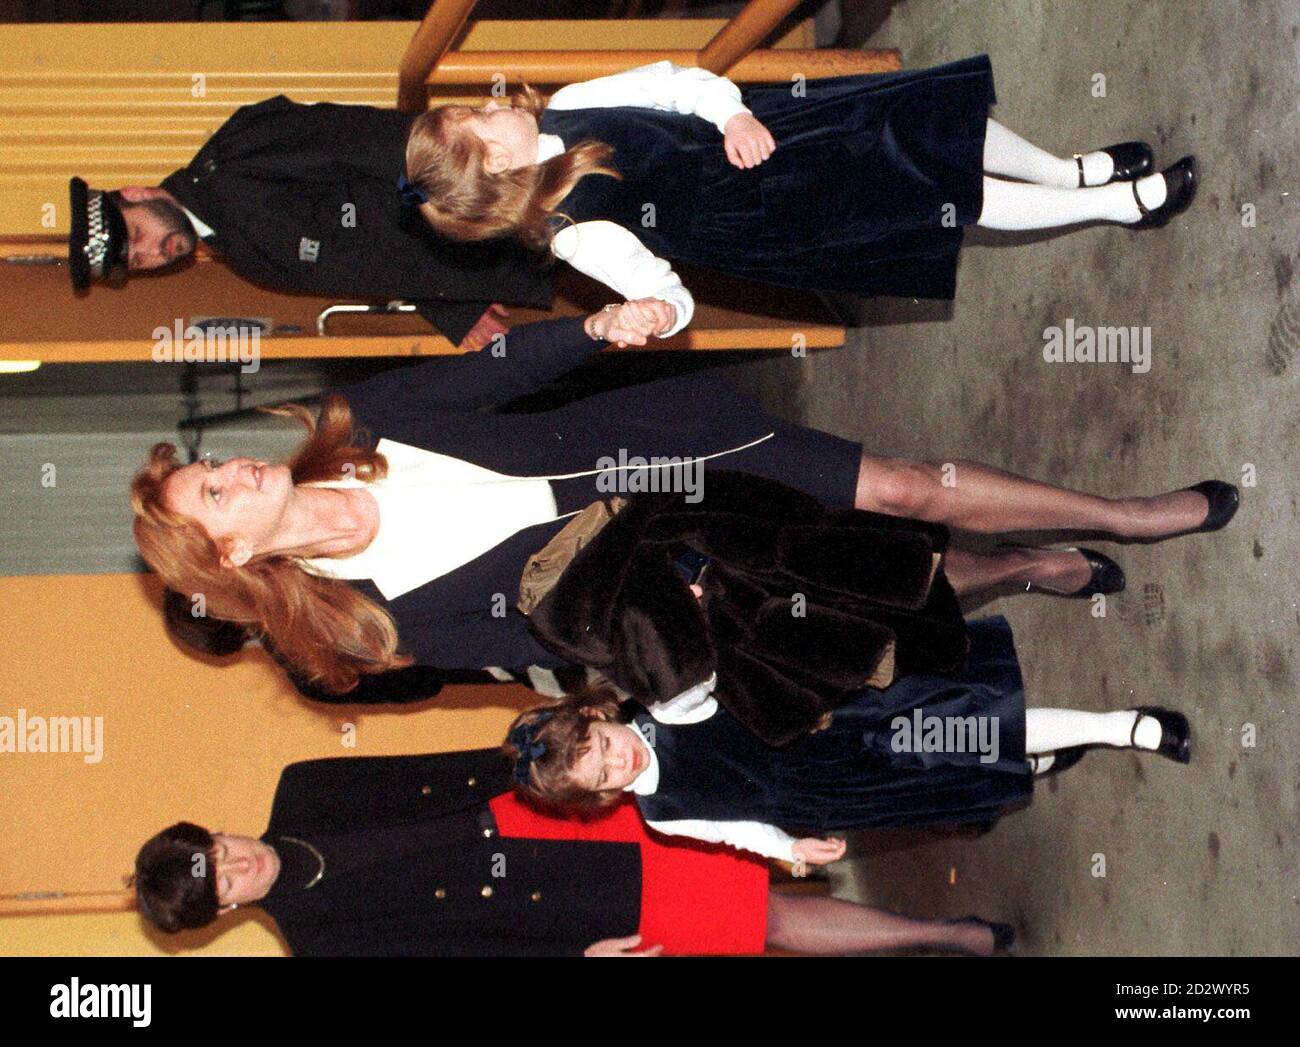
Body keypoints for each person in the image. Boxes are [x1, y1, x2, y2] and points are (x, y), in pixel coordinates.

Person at [129, 311, 1237, 699]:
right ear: (226, 549)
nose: (237, 472)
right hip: (680, 568)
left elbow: (497, 369)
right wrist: (668, 615)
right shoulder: (382, 623)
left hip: (666, 449)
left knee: (898, 488)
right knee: (884, 581)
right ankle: (1031, 569)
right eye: (216, 491)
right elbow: (547, 634)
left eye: (214, 465)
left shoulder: (362, 419)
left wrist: (594, 333)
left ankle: (1125, 511)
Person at [402, 58, 1198, 338]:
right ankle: (1125, 204)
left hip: (775, 130)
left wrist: (734, 112)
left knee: (936, 118)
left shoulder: (571, 101)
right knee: (949, 194)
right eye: (478, 124)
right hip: (781, 209)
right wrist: (655, 316)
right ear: (498, 170)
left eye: (471, 110)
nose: (488, 106)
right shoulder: (574, 231)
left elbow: (676, 86)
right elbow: (666, 294)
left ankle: (1074, 174)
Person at [133, 748, 1016, 956]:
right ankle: (942, 932)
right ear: (225, 913)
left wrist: (560, 752)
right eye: (222, 882)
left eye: (218, 847)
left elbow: (439, 767)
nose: (238, 860)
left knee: (763, 802)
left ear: (216, 830)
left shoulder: (301, 788)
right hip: (561, 901)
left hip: (546, 805)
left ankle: (944, 802)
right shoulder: (321, 945)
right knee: (765, 912)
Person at [504, 615, 1192, 866]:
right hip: (830, 793)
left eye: (604, 744)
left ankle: (1120, 725)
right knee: (962, 776)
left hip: (838, 725)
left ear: (600, 717)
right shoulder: (660, 813)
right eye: (602, 778)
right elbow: (732, 830)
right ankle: (1042, 755)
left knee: (972, 729)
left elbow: (707, 667)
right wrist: (787, 846)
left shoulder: (662, 700)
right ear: (599, 798)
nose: (618, 762)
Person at [66, 95, 554, 348]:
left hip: (511, 196)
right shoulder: (239, 256)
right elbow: (370, 265)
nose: (151, 252)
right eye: (138, 261)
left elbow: (382, 141)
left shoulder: (236, 155)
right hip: (507, 254)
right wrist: (451, 307)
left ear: (135, 193)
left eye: (136, 235)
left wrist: (474, 192)